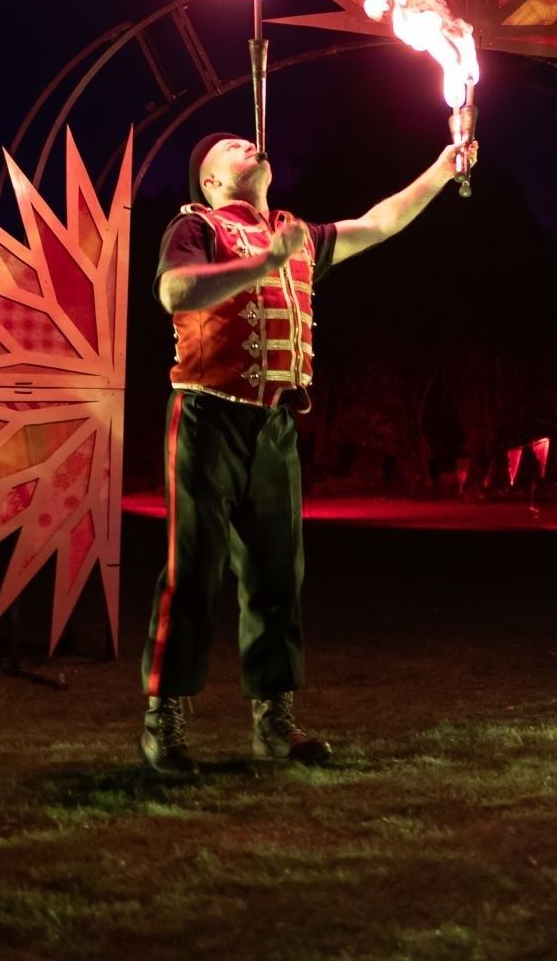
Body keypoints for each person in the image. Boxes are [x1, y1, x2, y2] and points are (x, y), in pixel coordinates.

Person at [140, 130, 476, 774]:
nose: (250, 147)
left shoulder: (299, 235)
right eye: (232, 148)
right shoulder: (196, 227)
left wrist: (441, 166)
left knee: (276, 577)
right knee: (195, 572)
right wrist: (263, 264)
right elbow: (175, 294)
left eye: (251, 141)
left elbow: (379, 224)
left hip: (274, 427)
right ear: (210, 181)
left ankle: (273, 720)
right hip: (206, 415)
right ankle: (166, 722)